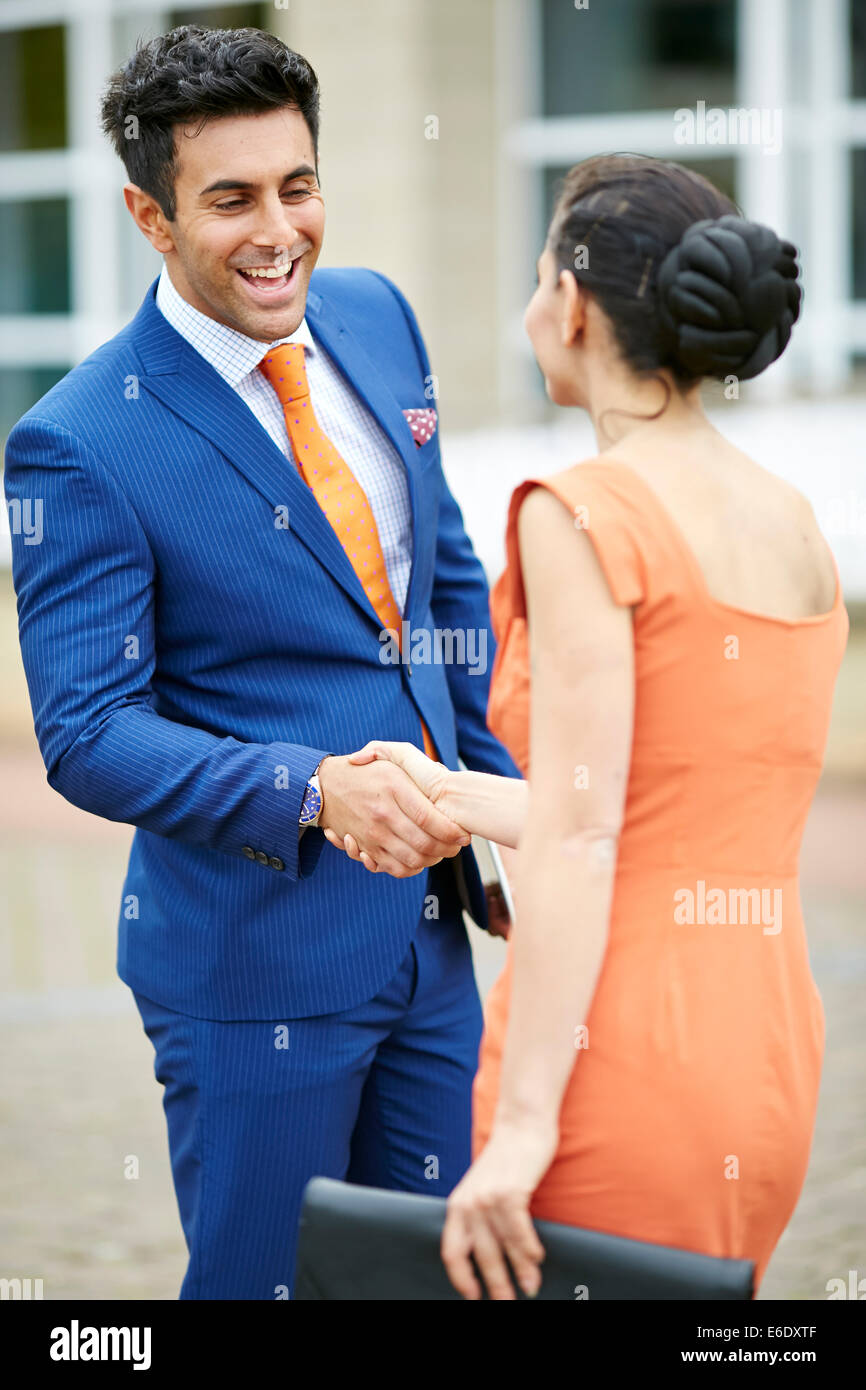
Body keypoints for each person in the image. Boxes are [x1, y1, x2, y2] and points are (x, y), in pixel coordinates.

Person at [3, 24, 522, 1299]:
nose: (277, 228)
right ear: (147, 212)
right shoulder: (76, 442)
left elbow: (437, 578)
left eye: (297, 186)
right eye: (229, 198)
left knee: (428, 1282)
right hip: (252, 968)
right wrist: (313, 790)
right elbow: (89, 730)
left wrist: (493, 810)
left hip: (428, 934)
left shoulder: (376, 316)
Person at [327, 154, 849, 1300]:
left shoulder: (582, 513)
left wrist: (517, 1134)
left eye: (532, 278)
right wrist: (445, 789)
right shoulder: (796, 524)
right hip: (760, 1053)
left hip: (614, 1056)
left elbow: (581, 842)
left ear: (568, 304)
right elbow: (661, 809)